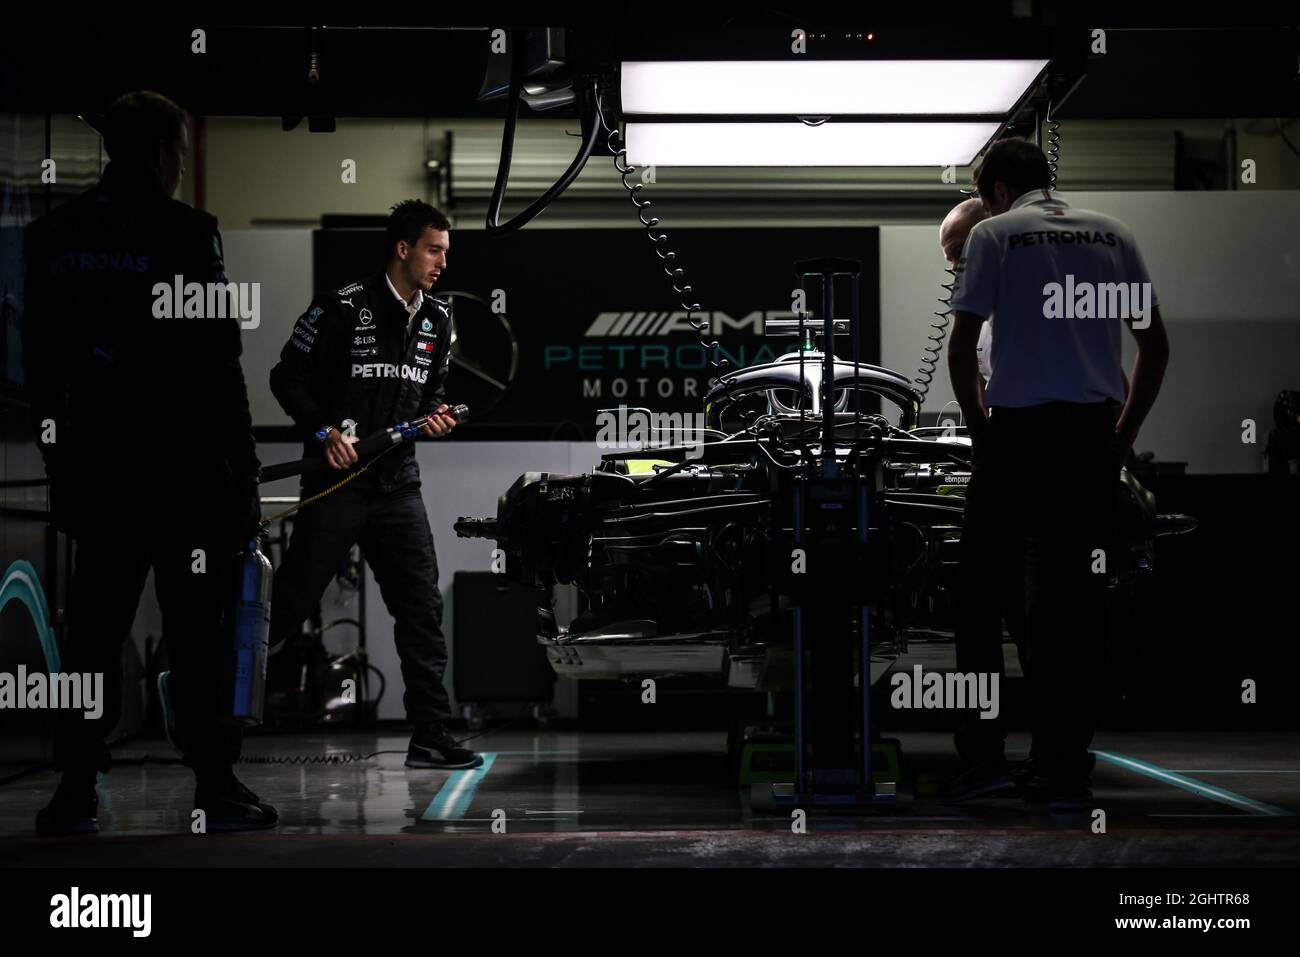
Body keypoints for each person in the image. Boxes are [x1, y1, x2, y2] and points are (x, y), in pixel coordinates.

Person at [23, 91, 276, 833]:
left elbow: (40, 370)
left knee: (91, 633)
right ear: (164, 153)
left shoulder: (53, 235)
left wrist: (59, 466)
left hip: (99, 473)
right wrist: (248, 468)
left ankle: (74, 789)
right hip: (185, 472)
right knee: (197, 632)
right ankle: (216, 785)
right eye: (181, 152)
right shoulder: (186, 231)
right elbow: (217, 362)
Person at [945, 138, 1169, 809]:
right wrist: (1121, 437)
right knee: (1072, 613)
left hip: (1016, 439)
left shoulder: (993, 235)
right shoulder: (1114, 234)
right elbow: (1154, 347)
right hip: (1090, 441)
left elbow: (961, 349)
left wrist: (983, 433)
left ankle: (983, 759)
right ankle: (1062, 768)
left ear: (1000, 189)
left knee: (979, 601)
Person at [267, 199, 481, 769]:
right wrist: (323, 428)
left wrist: (436, 420)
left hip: (397, 485)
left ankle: (430, 733)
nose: (441, 262)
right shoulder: (342, 306)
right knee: (288, 603)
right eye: (433, 250)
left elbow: (431, 395)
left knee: (420, 607)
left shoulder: (438, 318)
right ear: (403, 248)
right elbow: (285, 376)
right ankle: (215, 712)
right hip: (337, 484)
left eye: (446, 252)